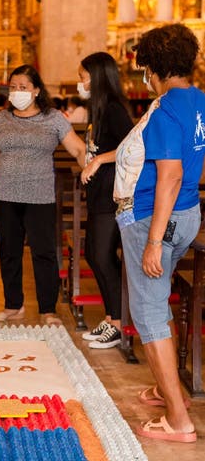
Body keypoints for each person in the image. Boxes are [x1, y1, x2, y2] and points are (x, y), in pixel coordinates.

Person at [114, 23, 203, 443]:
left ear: (155, 65)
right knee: (158, 302)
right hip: (188, 214)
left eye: (144, 65)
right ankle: (170, 391)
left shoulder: (166, 109)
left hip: (156, 218)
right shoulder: (198, 101)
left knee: (149, 314)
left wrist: (152, 240)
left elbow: (169, 175)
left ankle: (178, 422)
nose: (143, 73)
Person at [0, 64, 85, 325]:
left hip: (39, 195)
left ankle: (48, 309)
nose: (17, 92)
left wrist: (93, 169)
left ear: (36, 90)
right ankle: (13, 306)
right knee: (9, 251)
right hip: (6, 193)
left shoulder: (53, 118)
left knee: (43, 252)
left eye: (23, 87)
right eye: (13, 87)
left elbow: (77, 150)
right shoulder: (3, 119)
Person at [78, 52, 134, 349]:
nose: (81, 83)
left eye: (83, 77)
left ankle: (119, 322)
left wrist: (98, 160)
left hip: (112, 193)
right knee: (93, 254)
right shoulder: (99, 110)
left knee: (102, 255)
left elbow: (132, 146)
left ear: (97, 77)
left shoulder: (113, 109)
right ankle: (112, 315)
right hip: (99, 192)